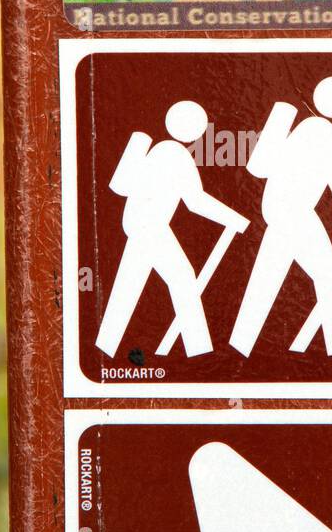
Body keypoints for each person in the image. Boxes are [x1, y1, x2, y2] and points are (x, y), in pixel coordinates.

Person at [230, 76, 332, 357]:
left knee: (266, 279)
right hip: (296, 214)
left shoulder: (303, 128)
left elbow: (263, 170)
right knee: (328, 278)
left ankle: (239, 348)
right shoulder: (322, 132)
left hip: (278, 212)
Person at [96, 100, 248, 358]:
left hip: (139, 225)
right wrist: (234, 219)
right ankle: (199, 352)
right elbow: (195, 201)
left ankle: (105, 347)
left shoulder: (159, 150)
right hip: (151, 227)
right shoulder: (175, 155)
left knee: (130, 284)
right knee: (183, 279)